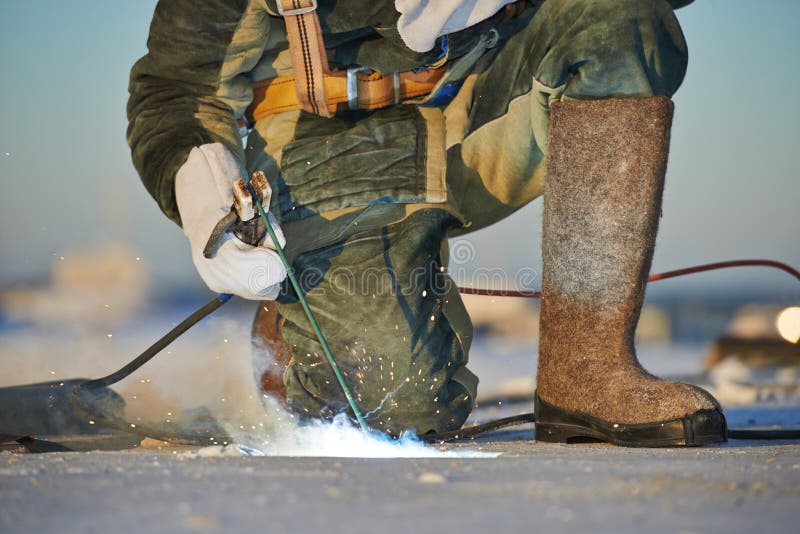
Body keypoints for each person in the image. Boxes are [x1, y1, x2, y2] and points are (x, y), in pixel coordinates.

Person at [128, 0, 726, 446]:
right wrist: (206, 195)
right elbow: (176, 90)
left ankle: (586, 372)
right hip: (330, 147)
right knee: (391, 412)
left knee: (618, 24)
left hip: (489, 94)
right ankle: (297, 315)